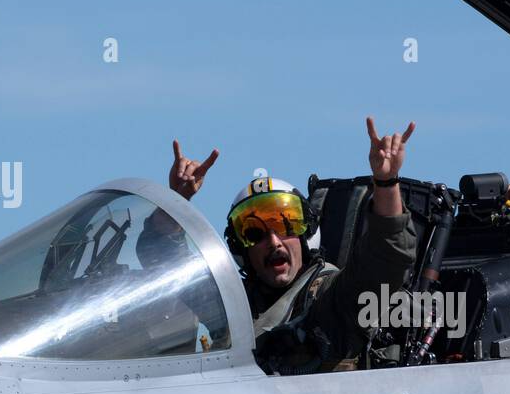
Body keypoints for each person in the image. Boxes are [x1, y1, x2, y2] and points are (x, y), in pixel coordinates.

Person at [162, 117, 419, 373]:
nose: (273, 242)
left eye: (286, 227)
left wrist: (386, 183)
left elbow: (387, 258)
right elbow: (166, 269)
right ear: (241, 249)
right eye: (255, 233)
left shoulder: (333, 299)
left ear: (306, 233)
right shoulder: (232, 306)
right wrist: (175, 201)